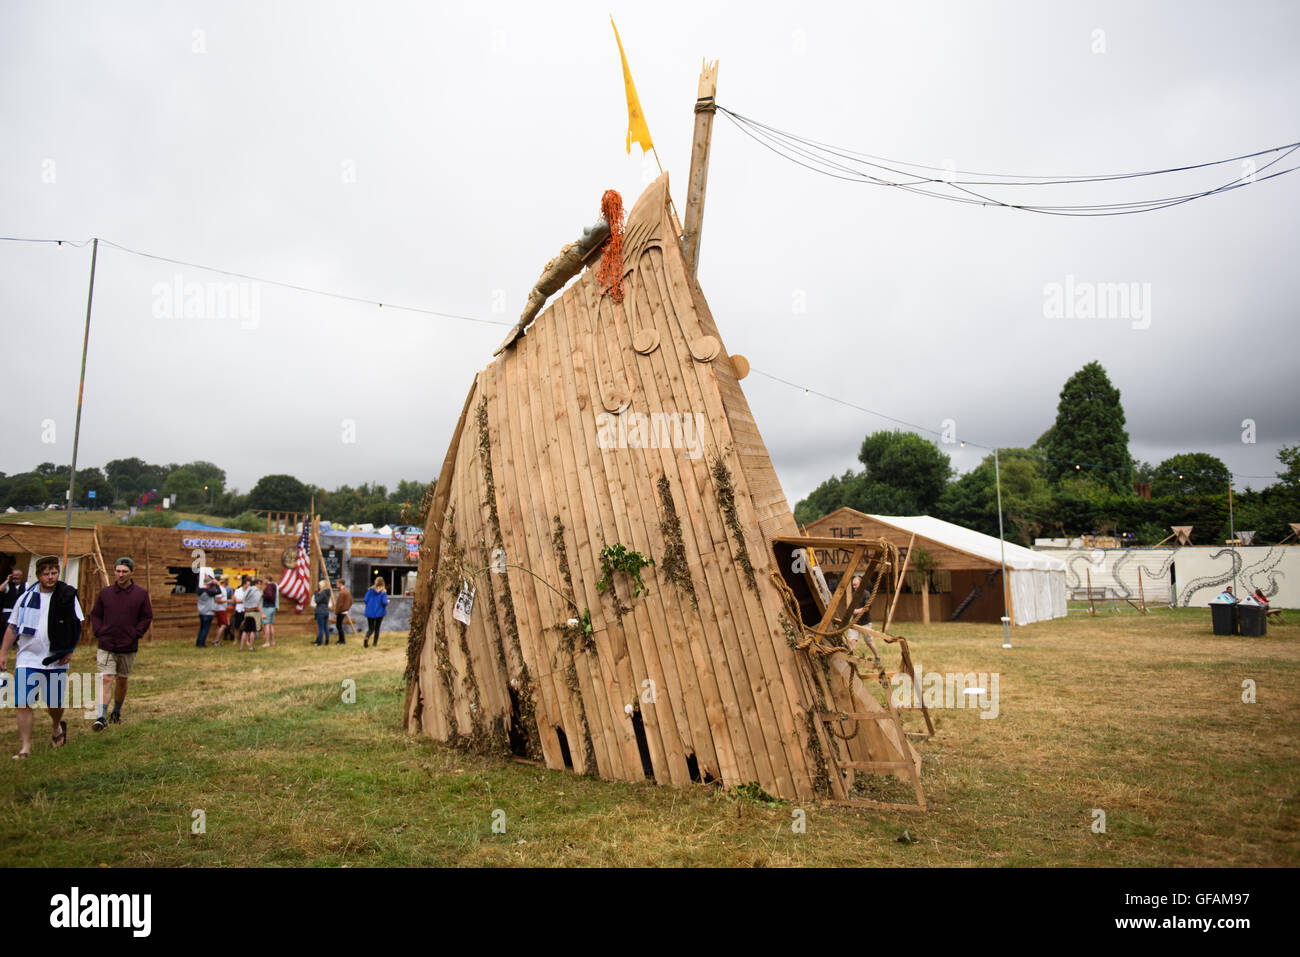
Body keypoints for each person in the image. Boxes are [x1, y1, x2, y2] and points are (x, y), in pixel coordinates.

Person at [0, 556, 82, 758]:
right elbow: (13, 627)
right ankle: (25, 747)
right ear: (38, 575)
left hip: (55, 658)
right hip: (27, 658)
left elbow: (76, 625)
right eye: (46, 574)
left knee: (54, 704)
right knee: (23, 702)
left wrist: (69, 651)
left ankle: (56, 725)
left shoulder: (67, 595)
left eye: (54, 573)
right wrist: (2, 652)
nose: (51, 577)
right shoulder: (25, 598)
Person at [89, 556, 153, 731]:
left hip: (128, 644)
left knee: (122, 679)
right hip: (107, 643)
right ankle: (101, 716)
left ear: (132, 572)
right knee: (106, 678)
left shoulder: (140, 594)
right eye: (118, 571)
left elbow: (147, 616)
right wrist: (99, 631)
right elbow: (95, 614)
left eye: (124, 571)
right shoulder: (105, 593)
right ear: (114, 572)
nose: (121, 575)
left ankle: (116, 710)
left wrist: (136, 633)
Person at [0, 567, 27, 636]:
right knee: (7, 629)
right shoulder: (8, 585)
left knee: (17, 629)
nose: (15, 577)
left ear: (21, 576)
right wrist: (7, 580)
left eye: (17, 575)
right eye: (13, 575)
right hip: (8, 611)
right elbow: (0, 589)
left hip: (19, 611)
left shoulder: (26, 585)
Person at [195, 575, 221, 647]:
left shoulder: (199, 591)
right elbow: (219, 591)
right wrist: (216, 583)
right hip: (208, 612)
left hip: (201, 612)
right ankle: (202, 644)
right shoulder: (209, 592)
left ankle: (198, 642)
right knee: (205, 629)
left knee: (201, 628)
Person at [363, 577, 388, 647]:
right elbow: (384, 602)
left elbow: (365, 600)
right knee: (377, 628)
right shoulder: (383, 592)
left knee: (370, 628)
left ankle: (367, 637)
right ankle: (374, 643)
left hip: (370, 612)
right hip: (379, 612)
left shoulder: (370, 590)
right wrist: (387, 602)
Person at [239, 576, 262, 651]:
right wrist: (261, 613)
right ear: (256, 584)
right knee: (252, 631)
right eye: (259, 584)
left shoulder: (247, 590)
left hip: (246, 612)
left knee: (245, 631)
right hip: (254, 613)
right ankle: (251, 647)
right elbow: (258, 603)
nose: (260, 586)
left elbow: (243, 600)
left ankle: (241, 647)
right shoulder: (257, 592)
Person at [211, 576, 234, 646]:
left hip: (222, 609)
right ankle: (216, 641)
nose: (229, 582)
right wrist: (228, 600)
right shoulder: (220, 589)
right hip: (220, 609)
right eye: (228, 580)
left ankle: (217, 640)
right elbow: (217, 600)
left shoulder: (222, 589)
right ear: (225, 581)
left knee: (220, 625)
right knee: (224, 625)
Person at [260, 577, 278, 647]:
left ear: (267, 579)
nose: (263, 581)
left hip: (267, 607)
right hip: (273, 607)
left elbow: (269, 595)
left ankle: (267, 642)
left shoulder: (269, 586)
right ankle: (273, 641)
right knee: (271, 625)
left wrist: (263, 595)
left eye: (264, 579)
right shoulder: (274, 585)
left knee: (266, 625)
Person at [334, 579, 352, 645]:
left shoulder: (342, 592)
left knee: (338, 626)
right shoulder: (347, 591)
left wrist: (336, 612)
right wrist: (347, 608)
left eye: (337, 583)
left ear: (341, 584)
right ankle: (341, 640)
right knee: (339, 626)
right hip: (344, 611)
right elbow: (351, 601)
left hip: (341, 611)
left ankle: (342, 641)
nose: (336, 585)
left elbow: (339, 604)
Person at [313, 580, 332, 645]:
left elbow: (317, 600)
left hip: (320, 611)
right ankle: (327, 640)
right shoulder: (327, 592)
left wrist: (316, 594)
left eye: (319, 585)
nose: (318, 587)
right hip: (326, 611)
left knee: (320, 627)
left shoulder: (323, 593)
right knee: (325, 626)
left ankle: (319, 642)